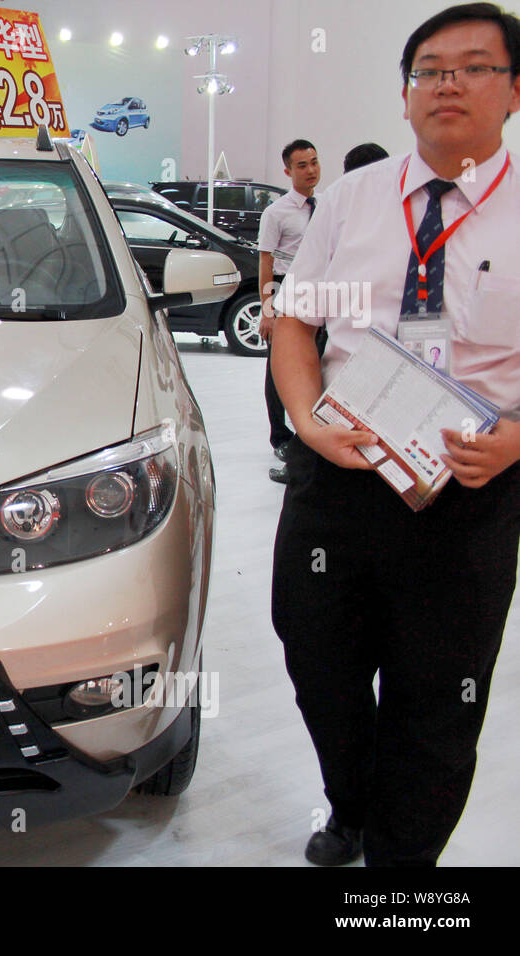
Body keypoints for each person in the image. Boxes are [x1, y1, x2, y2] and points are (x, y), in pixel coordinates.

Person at [270, 2, 520, 866]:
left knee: (439, 695)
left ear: (514, 89)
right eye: (428, 69)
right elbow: (294, 321)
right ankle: (352, 802)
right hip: (341, 470)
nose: (447, 82)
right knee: (319, 659)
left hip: (470, 485)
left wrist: (519, 439)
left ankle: (400, 869)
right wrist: (305, 420)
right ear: (406, 94)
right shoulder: (350, 201)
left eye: (474, 66)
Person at [257, 139, 322, 484]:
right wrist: (267, 310)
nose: (311, 170)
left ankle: (307, 435)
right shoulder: (277, 212)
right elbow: (265, 261)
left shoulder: (324, 207)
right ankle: (281, 437)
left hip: (320, 290)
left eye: (314, 162)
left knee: (316, 364)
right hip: (285, 288)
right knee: (279, 368)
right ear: (288, 171)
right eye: (302, 165)